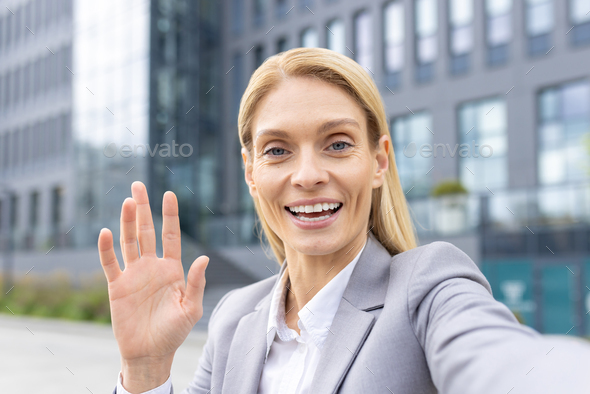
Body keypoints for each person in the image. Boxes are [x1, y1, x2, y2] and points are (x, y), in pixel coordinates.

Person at [98, 47, 590, 394]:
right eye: (277, 150)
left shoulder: (428, 287)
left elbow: (509, 367)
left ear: (378, 162)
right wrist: (144, 370)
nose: (308, 175)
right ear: (251, 172)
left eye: (337, 144)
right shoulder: (235, 318)